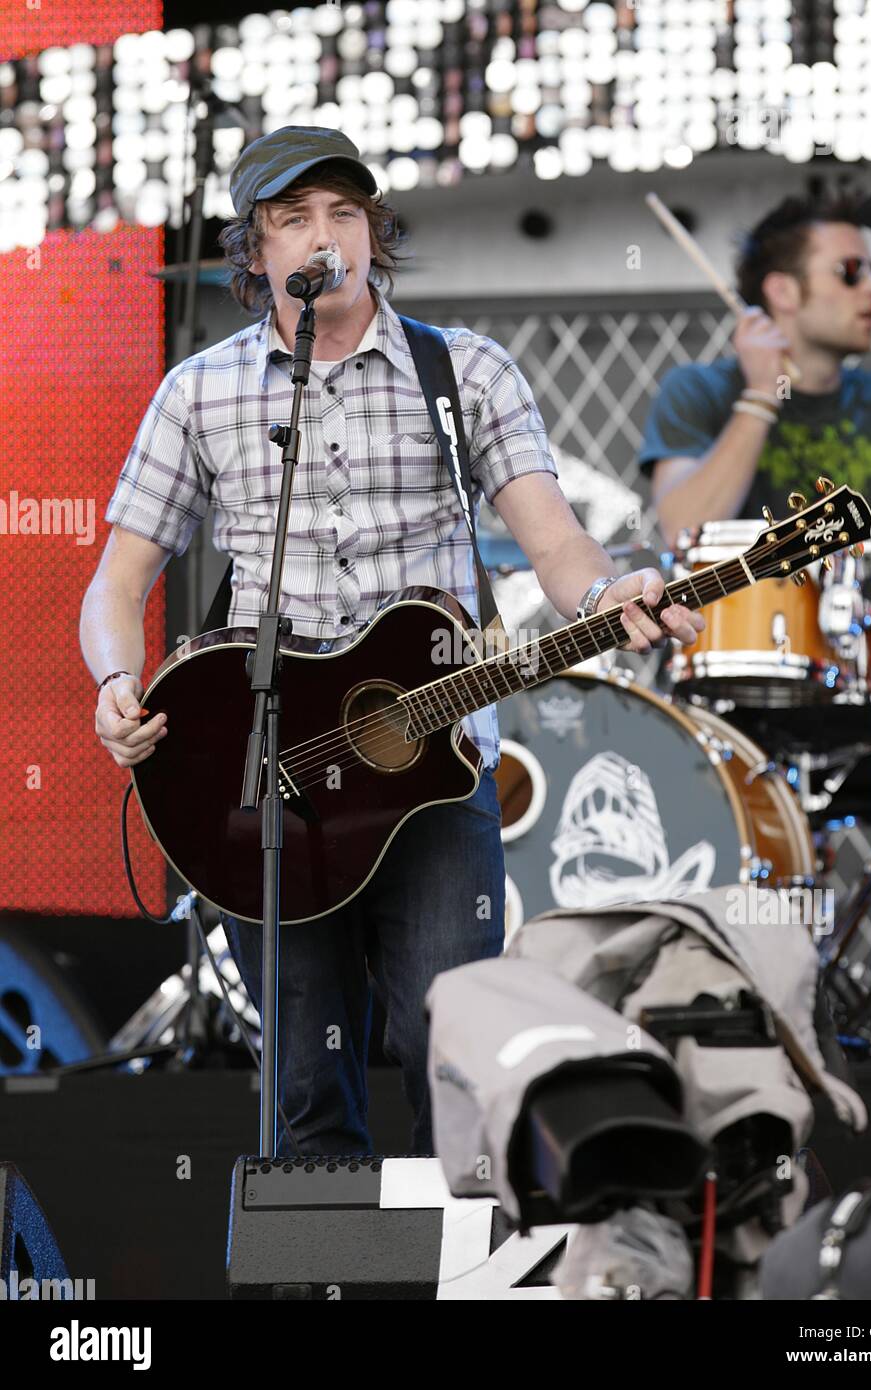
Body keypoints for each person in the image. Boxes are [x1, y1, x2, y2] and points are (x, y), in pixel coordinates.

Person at [79, 126, 703, 1158]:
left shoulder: (463, 372)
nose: (324, 235)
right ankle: (322, 1275)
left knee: (450, 1043)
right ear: (256, 250)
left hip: (429, 764)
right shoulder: (201, 390)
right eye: (292, 219)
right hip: (261, 772)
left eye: (343, 212)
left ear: (373, 231)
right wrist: (115, 679)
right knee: (308, 1086)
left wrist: (607, 590)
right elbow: (117, 581)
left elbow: (553, 540)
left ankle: (463, 1269)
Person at [639, 193, 871, 881]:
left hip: (861, 673)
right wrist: (761, 396)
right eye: (852, 271)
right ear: (782, 292)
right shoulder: (700, 389)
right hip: (722, 680)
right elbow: (682, 524)